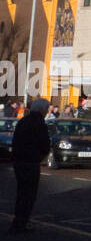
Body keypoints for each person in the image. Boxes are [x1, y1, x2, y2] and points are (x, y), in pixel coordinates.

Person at [10, 98, 51, 233]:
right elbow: (45, 144)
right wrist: (39, 157)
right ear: (42, 110)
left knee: (21, 193)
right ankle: (22, 222)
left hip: (19, 161)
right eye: (46, 110)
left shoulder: (23, 121)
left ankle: (18, 221)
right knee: (29, 195)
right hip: (31, 162)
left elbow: (15, 141)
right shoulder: (40, 123)